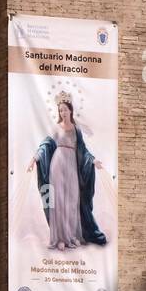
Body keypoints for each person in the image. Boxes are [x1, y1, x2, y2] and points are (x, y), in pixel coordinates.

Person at [27, 95, 106, 249]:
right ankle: (60, 238)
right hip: (57, 164)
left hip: (71, 166)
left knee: (72, 201)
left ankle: (72, 236)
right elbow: (45, 146)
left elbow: (82, 150)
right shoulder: (56, 128)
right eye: (60, 110)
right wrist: (34, 159)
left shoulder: (76, 130)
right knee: (59, 201)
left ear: (70, 110)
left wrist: (93, 160)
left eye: (65, 109)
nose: (62, 112)